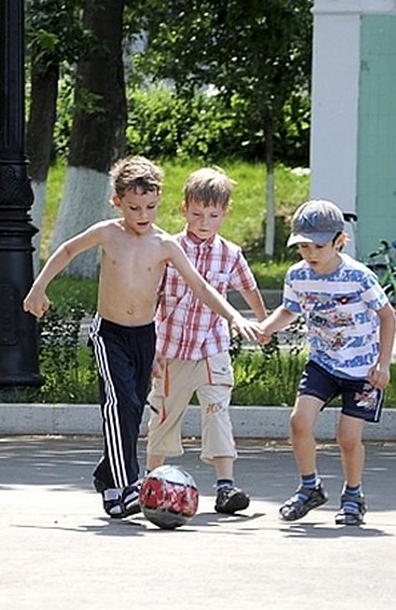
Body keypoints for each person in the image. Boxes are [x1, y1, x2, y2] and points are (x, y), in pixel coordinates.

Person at [23, 156, 262, 519]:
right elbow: (69, 250)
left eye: (150, 207)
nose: (142, 214)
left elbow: (200, 286)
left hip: (145, 336)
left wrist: (233, 316)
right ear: (117, 202)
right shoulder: (108, 232)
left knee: (133, 410)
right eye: (134, 207)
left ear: (160, 201)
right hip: (110, 334)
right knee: (120, 404)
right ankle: (129, 486)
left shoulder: (166, 245)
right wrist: (38, 288)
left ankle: (108, 480)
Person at [259, 199, 395, 526]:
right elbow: (290, 310)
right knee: (299, 421)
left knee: (348, 437)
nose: (310, 253)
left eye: (318, 246)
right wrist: (266, 328)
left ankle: (353, 496)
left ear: (339, 241)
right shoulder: (298, 275)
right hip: (322, 362)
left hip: (362, 370)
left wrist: (383, 363)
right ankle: (310, 488)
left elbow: (387, 317)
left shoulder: (359, 276)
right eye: (303, 246)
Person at [145, 167, 267, 515]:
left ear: (225, 214)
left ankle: (226, 487)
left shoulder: (230, 253)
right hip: (170, 350)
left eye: (213, 215)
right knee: (164, 416)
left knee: (217, 412)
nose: (204, 221)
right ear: (183, 209)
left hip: (213, 348)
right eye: (197, 214)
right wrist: (150, 347)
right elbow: (150, 295)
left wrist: (263, 323)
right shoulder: (168, 248)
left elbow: (248, 288)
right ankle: (152, 483)